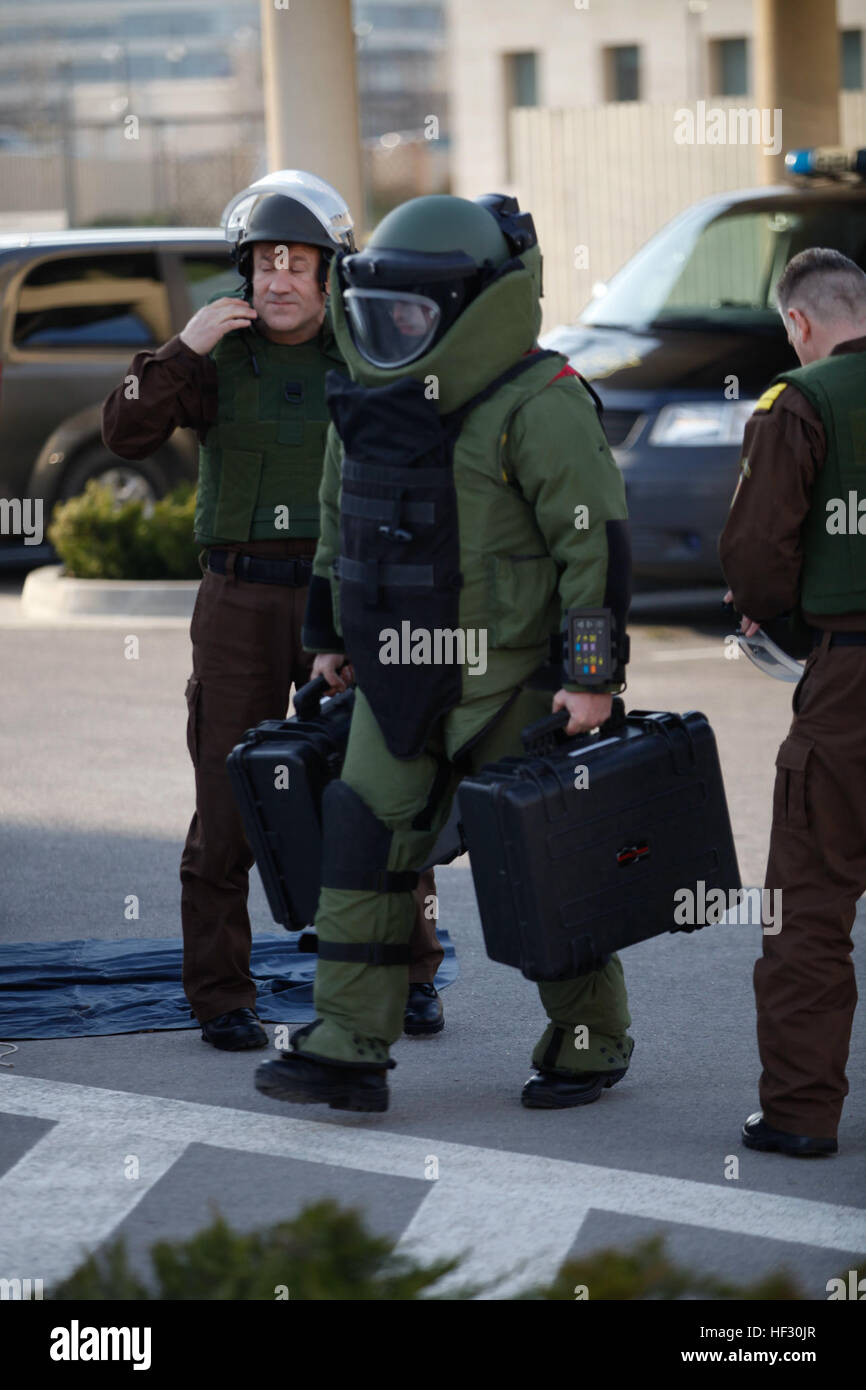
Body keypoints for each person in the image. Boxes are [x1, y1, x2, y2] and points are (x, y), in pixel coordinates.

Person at [254, 191, 634, 1113]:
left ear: (475, 306)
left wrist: (590, 678)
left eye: (413, 314)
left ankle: (589, 1042)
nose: (392, 331)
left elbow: (596, 549)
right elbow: (338, 528)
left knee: (543, 861)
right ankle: (348, 1045)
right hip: (394, 677)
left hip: (513, 682)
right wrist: (328, 642)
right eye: (380, 311)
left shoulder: (540, 403)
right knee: (360, 841)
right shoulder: (367, 399)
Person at [102, 171, 446, 1051]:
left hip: (347, 594)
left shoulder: (366, 354)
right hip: (240, 599)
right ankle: (222, 996)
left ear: (330, 273)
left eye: (297, 263)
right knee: (226, 804)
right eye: (264, 263)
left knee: (381, 788)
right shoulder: (213, 356)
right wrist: (181, 349)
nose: (278, 279)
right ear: (244, 272)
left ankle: (411, 974)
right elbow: (123, 433)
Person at [720, 246, 866, 1156]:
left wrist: (775, 614)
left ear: (800, 322)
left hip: (849, 681)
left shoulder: (799, 402)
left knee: (809, 907)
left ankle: (802, 1115)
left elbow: (756, 556)